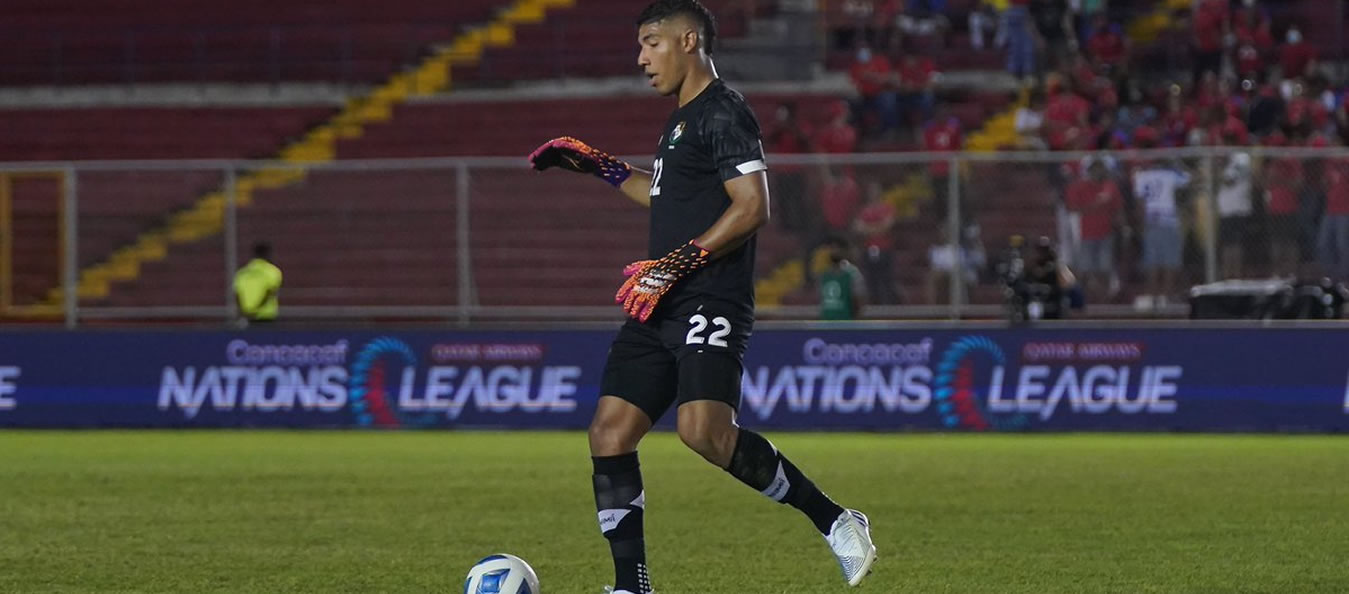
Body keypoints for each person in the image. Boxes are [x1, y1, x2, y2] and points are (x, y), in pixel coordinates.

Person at [526, 2, 876, 592]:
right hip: (658, 299)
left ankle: (836, 519)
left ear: (688, 41)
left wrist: (675, 264)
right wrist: (601, 167)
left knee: (703, 431)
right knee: (609, 432)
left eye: (651, 42)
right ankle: (631, 585)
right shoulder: (681, 121)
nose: (641, 58)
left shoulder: (723, 110)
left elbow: (753, 206)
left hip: (708, 296)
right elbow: (667, 197)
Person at [232, 242, 281, 325]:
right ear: (267, 254)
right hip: (266, 316)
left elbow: (237, 295)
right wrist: (256, 311)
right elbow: (269, 293)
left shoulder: (242, 273)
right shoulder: (272, 271)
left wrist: (245, 312)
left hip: (247, 316)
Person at [818, 237, 866, 320]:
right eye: (832, 248)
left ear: (844, 251)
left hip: (845, 321)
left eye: (837, 248)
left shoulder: (852, 273)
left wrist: (855, 318)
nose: (834, 251)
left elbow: (858, 299)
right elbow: (822, 300)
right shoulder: (824, 275)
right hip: (826, 321)